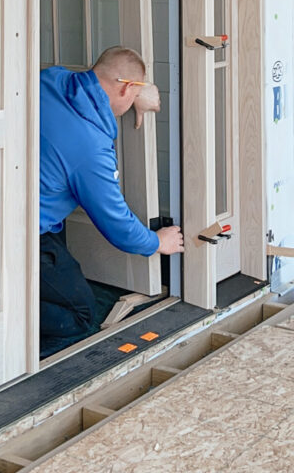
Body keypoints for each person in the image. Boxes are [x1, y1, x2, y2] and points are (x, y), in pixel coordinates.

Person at [39, 46, 184, 356]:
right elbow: (116, 223)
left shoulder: (50, 80)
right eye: (133, 93)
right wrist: (157, 242)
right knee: (80, 315)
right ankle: (11, 343)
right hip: (27, 234)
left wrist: (136, 94)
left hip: (8, 207)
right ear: (125, 88)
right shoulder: (90, 149)